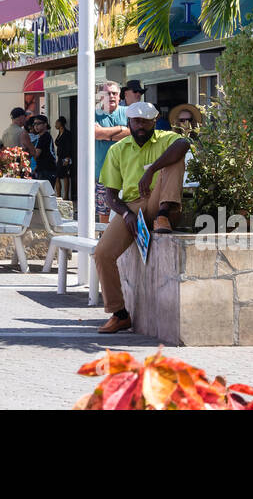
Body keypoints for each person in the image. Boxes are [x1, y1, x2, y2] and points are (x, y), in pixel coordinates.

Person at [92, 102, 191, 333]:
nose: (140, 126)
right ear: (128, 122)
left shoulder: (166, 138)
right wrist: (125, 213)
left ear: (154, 122)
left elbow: (184, 143)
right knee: (102, 253)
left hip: (160, 201)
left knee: (175, 157)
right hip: (132, 207)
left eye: (146, 121)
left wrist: (152, 170)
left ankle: (163, 216)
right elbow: (110, 194)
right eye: (136, 121)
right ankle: (119, 314)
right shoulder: (117, 149)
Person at [94, 81, 130, 219]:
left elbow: (132, 133)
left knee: (126, 211)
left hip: (126, 172)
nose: (111, 96)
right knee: (105, 214)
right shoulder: (93, 114)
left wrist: (105, 134)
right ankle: (105, 239)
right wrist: (121, 129)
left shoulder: (127, 113)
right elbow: (95, 134)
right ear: (101, 96)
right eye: (108, 93)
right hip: (102, 174)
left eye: (114, 93)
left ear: (119, 96)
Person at [27, 114, 56, 183]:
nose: (36, 126)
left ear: (45, 124)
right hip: (44, 169)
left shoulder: (44, 137)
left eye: (38, 123)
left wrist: (27, 145)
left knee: (45, 193)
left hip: (47, 170)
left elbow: (36, 154)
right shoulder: (41, 137)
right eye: (34, 124)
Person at [54, 116, 75, 201]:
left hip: (66, 157)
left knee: (65, 175)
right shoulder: (60, 133)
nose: (55, 125)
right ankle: (58, 195)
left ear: (61, 123)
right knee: (57, 176)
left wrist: (67, 158)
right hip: (60, 157)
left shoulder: (67, 133)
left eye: (57, 123)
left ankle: (66, 195)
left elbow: (69, 146)